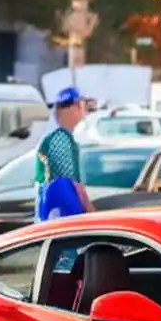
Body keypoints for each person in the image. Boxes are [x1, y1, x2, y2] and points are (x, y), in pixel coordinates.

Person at [33, 87, 93, 221]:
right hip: (61, 213)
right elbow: (72, 181)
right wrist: (90, 211)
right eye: (81, 105)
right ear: (73, 107)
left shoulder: (57, 136)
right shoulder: (60, 138)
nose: (83, 110)